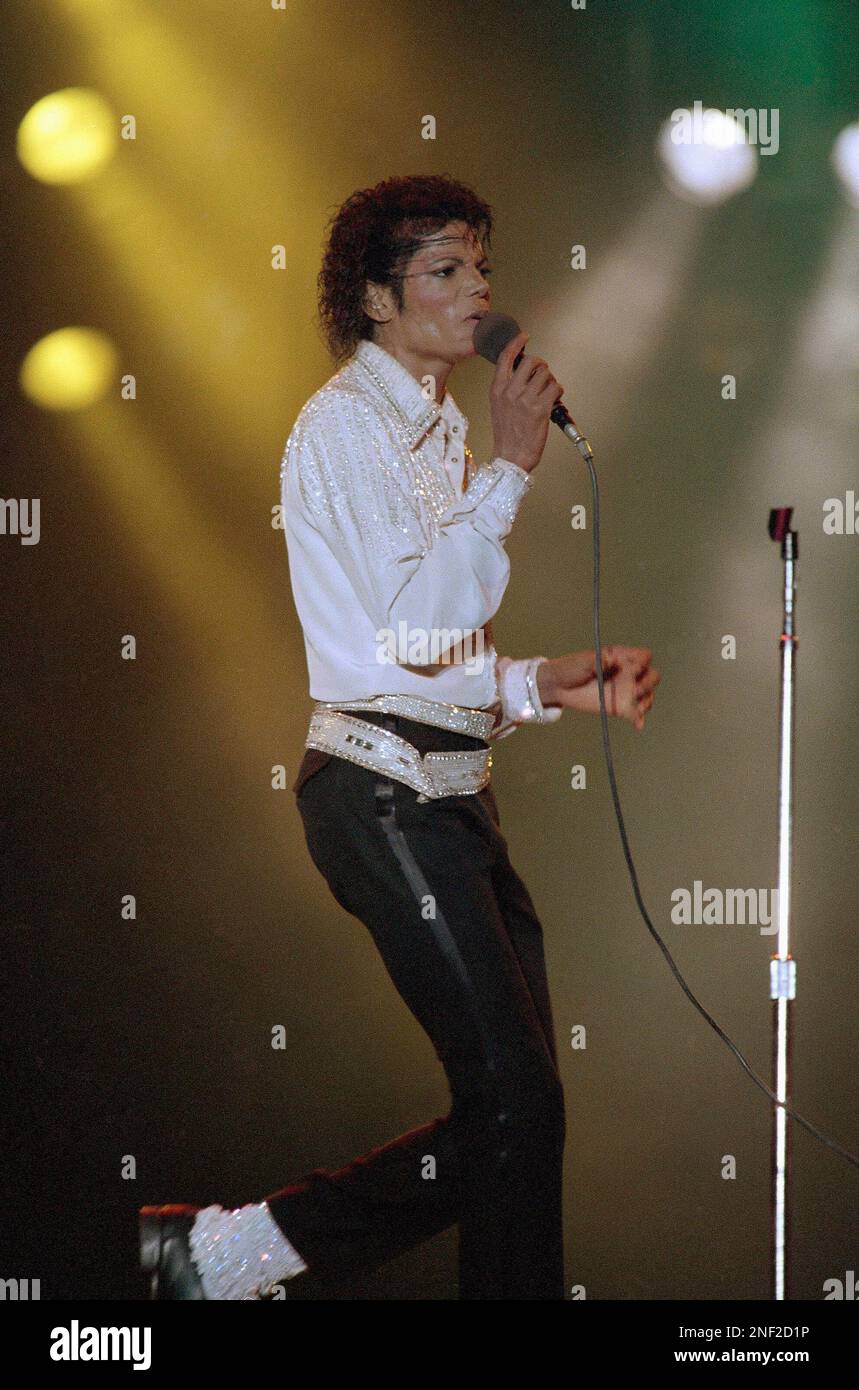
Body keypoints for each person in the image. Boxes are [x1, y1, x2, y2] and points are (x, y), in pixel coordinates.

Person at [139, 173, 660, 1301]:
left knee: (521, 1112)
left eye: (480, 266)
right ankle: (238, 1249)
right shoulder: (342, 431)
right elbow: (414, 632)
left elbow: (418, 651)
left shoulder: (437, 438)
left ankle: (228, 1253)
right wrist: (516, 466)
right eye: (445, 270)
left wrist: (544, 684)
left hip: (449, 795)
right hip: (380, 794)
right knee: (515, 1101)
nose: (478, 291)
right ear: (377, 300)